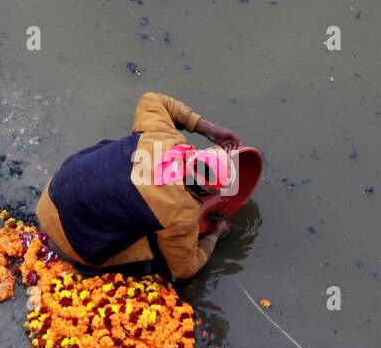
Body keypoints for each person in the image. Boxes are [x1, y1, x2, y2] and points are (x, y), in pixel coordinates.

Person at [36, 92, 241, 279]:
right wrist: (214, 236)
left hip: (53, 193)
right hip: (72, 244)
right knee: (153, 252)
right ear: (208, 192)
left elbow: (152, 99)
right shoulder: (181, 214)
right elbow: (184, 269)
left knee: (119, 164)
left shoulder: (163, 137)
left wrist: (209, 129)